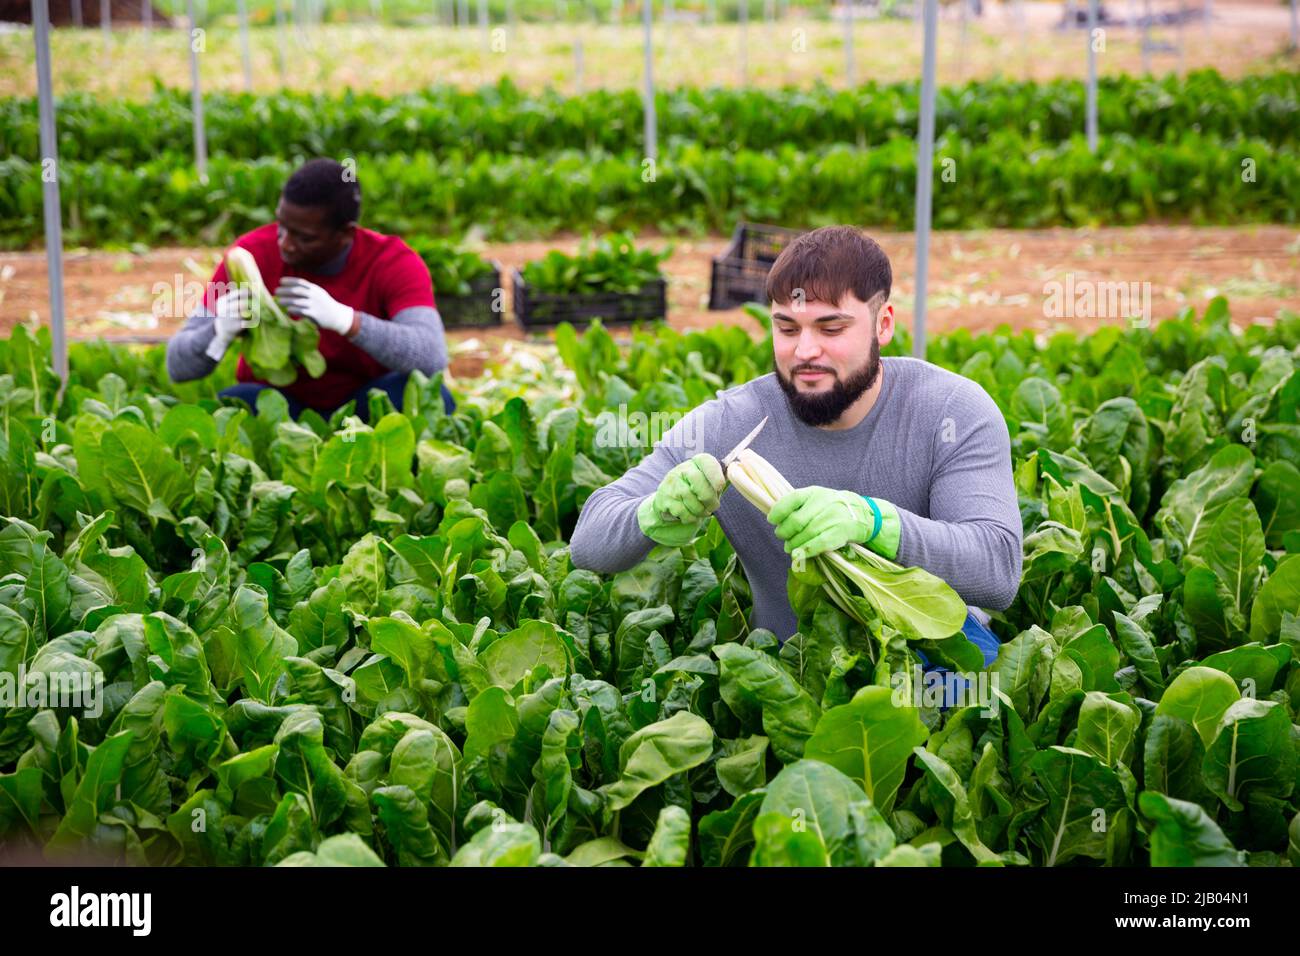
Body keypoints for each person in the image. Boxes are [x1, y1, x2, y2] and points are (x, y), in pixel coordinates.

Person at [570, 225, 1022, 684]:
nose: (805, 351)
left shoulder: (952, 411)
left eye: (831, 328)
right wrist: (654, 514)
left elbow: (997, 570)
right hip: (789, 676)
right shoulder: (731, 424)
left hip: (933, 668)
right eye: (787, 328)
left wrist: (876, 523)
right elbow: (589, 542)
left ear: (883, 324)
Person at [166, 158, 454, 420]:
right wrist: (217, 332)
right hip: (280, 408)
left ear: (345, 234)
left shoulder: (392, 261)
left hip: (364, 407)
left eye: (305, 237)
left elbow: (431, 356)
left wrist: (348, 322)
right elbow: (177, 367)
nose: (285, 243)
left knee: (428, 396)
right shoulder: (248, 256)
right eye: (282, 226)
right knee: (235, 404)